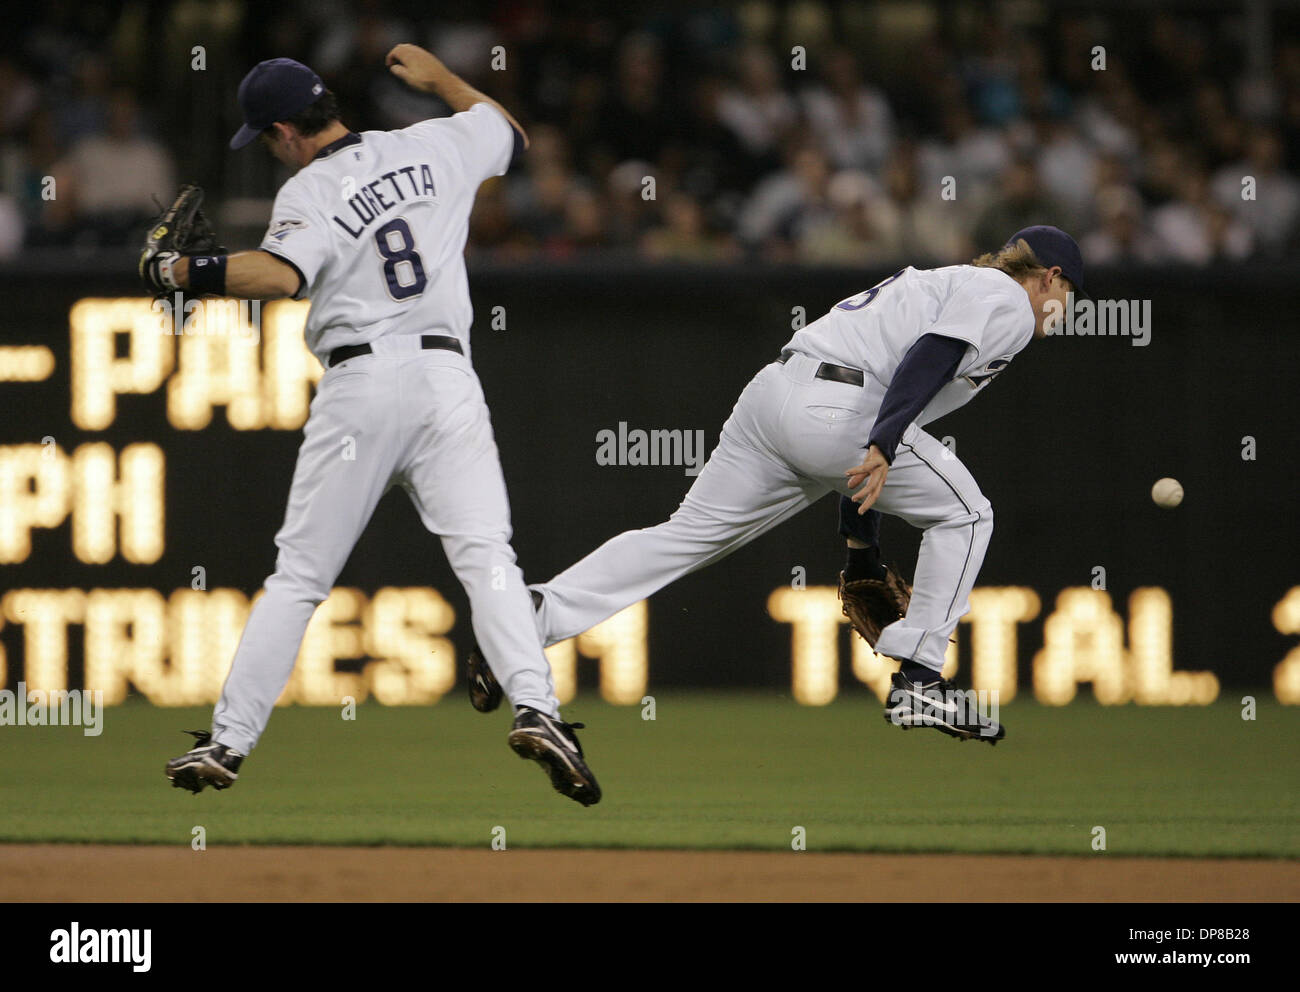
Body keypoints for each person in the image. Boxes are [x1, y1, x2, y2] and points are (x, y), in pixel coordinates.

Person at [144, 46, 600, 806]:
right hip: (447, 379)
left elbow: (278, 277)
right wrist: (444, 83)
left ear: (287, 130)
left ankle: (229, 741)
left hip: (362, 382)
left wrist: (179, 273)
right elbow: (509, 134)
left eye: (266, 136)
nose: (270, 148)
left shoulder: (311, 189)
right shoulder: (432, 141)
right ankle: (539, 708)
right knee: (488, 556)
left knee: (298, 577)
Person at [470, 226, 1086, 743]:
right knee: (967, 515)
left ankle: (528, 620)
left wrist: (862, 550)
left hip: (779, 395)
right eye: (1071, 294)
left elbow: (894, 405)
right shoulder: (1005, 298)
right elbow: (930, 355)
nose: (1069, 310)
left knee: (684, 536)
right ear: (1050, 277)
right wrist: (883, 440)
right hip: (838, 405)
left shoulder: (954, 285)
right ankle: (922, 681)